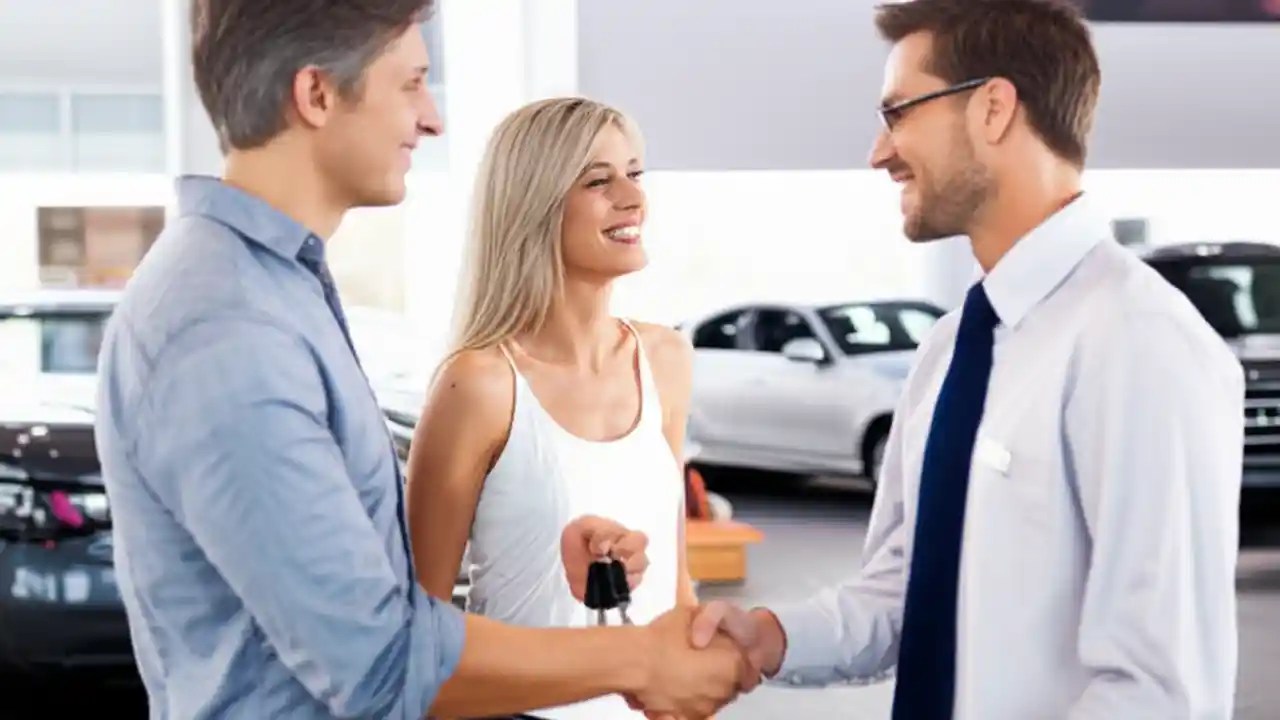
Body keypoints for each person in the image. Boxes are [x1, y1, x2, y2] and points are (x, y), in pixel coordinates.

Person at [92, 1, 750, 718]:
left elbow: (376, 598)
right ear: (317, 95)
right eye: (411, 83)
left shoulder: (278, 291)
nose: (431, 118)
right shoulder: (227, 325)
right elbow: (379, 664)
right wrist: (640, 658)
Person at [690, 1, 1244, 718]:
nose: (878, 152)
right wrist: (769, 637)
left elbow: (1161, 692)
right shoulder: (950, 347)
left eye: (899, 112)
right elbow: (905, 592)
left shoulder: (1142, 342)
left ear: (992, 108)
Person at [404, 97, 700, 720]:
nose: (632, 197)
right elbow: (418, 630)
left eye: (635, 173)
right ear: (534, 204)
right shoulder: (479, 384)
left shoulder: (665, 357)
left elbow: (677, 589)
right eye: (599, 180)